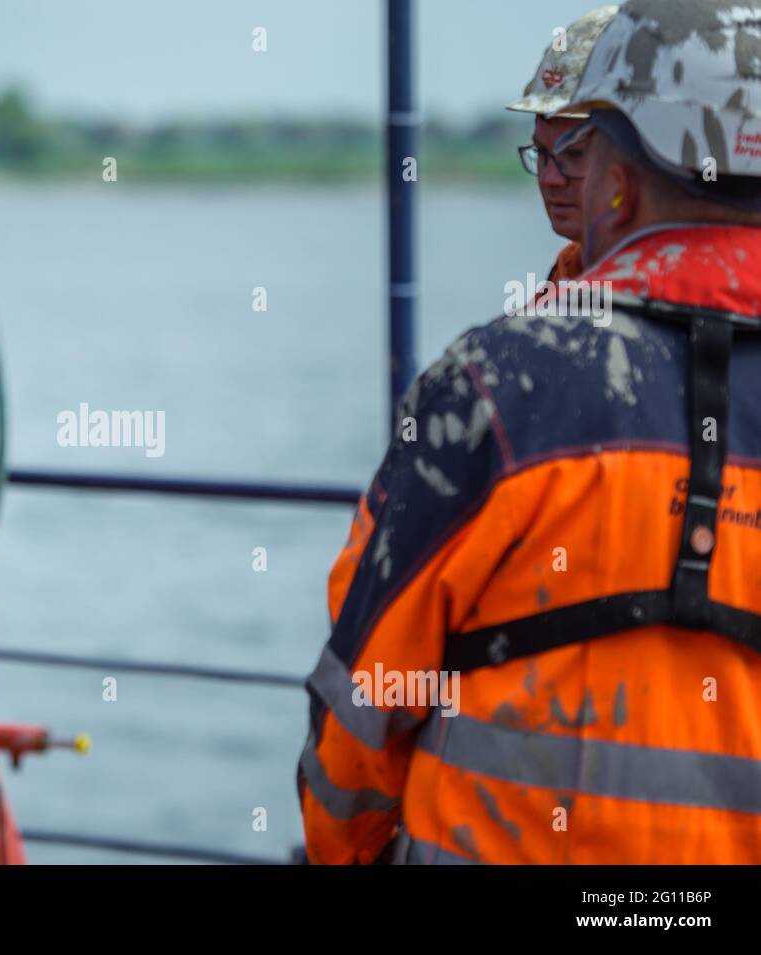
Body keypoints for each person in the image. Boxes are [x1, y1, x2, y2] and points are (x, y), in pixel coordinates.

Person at [299, 0, 761, 864]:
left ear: (616, 169)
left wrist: (345, 848)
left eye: (577, 152)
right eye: (542, 151)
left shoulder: (497, 386)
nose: (557, 174)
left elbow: (360, 706)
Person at [507, 6, 618, 283]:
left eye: (575, 154)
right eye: (543, 153)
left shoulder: (688, 290)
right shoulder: (569, 272)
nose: (549, 179)